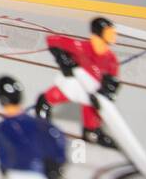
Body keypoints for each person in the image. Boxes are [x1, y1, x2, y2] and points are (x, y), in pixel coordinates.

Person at [34, 17, 121, 148]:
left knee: (92, 119)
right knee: (45, 100)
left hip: (92, 91)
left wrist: (104, 94)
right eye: (110, 31)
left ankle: (92, 133)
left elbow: (113, 82)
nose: (115, 35)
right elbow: (52, 41)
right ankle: (42, 128)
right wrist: (62, 58)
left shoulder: (111, 59)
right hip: (73, 84)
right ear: (99, 33)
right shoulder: (79, 46)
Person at [0, 76, 66, 179]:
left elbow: (3, 158)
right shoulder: (41, 125)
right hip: (40, 178)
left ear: (1, 100)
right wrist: (56, 166)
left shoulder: (2, 130)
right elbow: (59, 142)